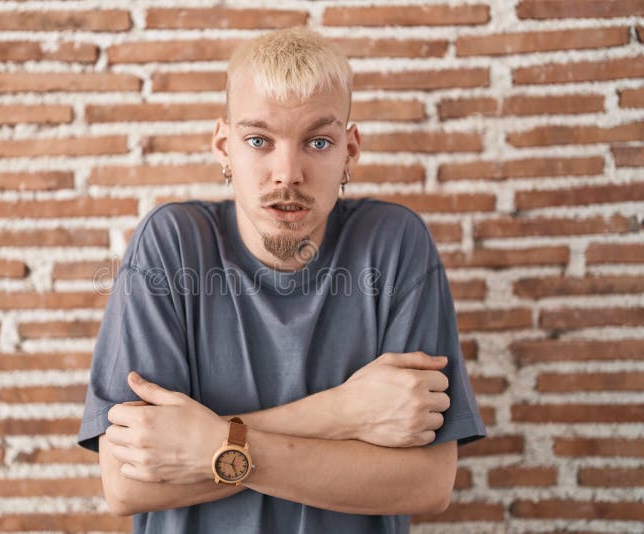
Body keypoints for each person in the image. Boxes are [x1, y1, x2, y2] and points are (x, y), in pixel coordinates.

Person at [77, 26, 486, 534]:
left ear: (349, 152)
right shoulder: (172, 244)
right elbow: (127, 485)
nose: (287, 172)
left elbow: (426, 483)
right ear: (224, 147)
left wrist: (205, 444)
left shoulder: (393, 244)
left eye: (318, 141)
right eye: (258, 140)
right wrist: (342, 413)